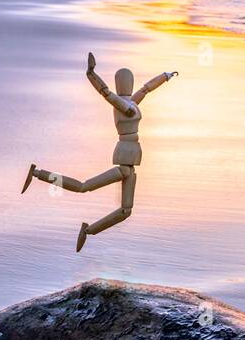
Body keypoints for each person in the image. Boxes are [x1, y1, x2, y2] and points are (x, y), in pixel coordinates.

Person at [23, 53, 177, 251]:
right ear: (123, 84)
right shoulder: (124, 106)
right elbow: (105, 92)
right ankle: (38, 174)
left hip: (131, 160)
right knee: (83, 187)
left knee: (125, 210)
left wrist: (165, 76)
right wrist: (91, 74)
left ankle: (87, 231)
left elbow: (146, 89)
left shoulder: (131, 103)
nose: (130, 85)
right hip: (125, 156)